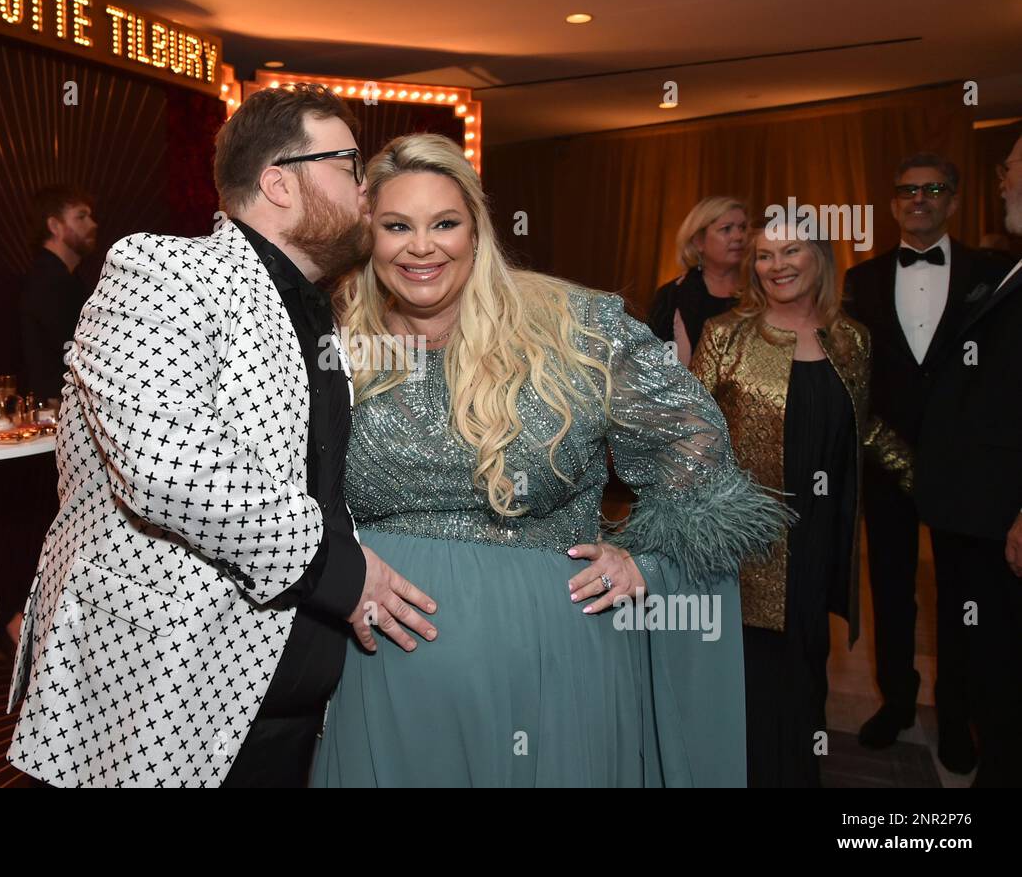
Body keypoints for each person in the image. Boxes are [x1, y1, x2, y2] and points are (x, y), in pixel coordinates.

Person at [311, 134, 789, 787]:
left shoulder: (573, 327)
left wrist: (649, 561)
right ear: (372, 235)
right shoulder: (338, 343)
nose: (420, 246)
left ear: (477, 231)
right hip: (386, 668)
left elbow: (695, 442)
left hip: (552, 661)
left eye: (444, 223)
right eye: (398, 225)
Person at [7, 84, 435, 787]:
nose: (368, 188)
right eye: (350, 165)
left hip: (286, 708)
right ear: (277, 181)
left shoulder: (323, 313)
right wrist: (345, 573)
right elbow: (168, 467)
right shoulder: (163, 270)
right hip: (163, 699)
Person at [692, 220, 907, 787]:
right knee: (755, 668)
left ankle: (798, 769)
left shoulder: (852, 339)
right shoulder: (726, 334)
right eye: (764, 255)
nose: (776, 264)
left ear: (820, 258)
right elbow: (690, 431)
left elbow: (863, 430)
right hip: (748, 539)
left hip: (822, 532)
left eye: (790, 251)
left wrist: (923, 476)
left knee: (808, 658)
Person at [842, 153, 1009, 771]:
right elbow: (857, 378)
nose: (919, 199)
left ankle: (958, 713)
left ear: (954, 201)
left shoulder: (990, 274)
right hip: (888, 462)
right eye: (907, 190)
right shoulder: (861, 278)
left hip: (967, 467)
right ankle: (897, 702)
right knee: (889, 588)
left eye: (933, 189)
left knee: (962, 594)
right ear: (892, 203)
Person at [915, 132, 1022, 787]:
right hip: (970, 510)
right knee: (989, 662)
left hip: (1002, 516)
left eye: (1010, 169)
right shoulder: (1009, 265)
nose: (1003, 181)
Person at [19, 185, 98, 402]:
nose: (92, 225)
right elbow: (72, 350)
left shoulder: (66, 278)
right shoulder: (49, 282)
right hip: (57, 406)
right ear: (55, 225)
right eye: (81, 217)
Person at [647, 196, 747, 365]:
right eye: (727, 229)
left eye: (743, 228)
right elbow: (655, 363)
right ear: (698, 241)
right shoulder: (672, 296)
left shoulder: (761, 291)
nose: (739, 236)